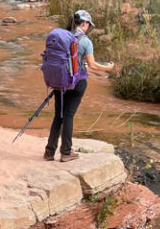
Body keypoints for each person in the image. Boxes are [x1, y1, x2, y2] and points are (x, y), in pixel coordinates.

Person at [44, 9, 115, 162]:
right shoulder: (85, 41)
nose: (88, 27)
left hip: (60, 81)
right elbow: (93, 65)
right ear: (84, 23)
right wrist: (108, 68)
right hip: (77, 83)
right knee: (68, 115)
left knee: (58, 115)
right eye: (88, 24)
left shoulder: (63, 37)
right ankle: (66, 152)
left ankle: (49, 152)